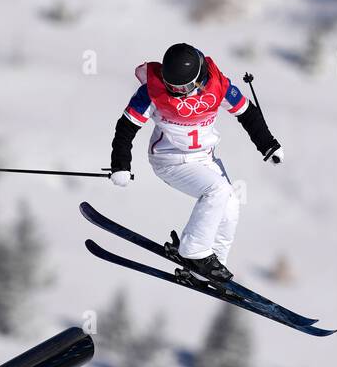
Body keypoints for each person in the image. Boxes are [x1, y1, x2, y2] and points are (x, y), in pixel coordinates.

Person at [108, 43, 282, 282]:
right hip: (170, 160)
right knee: (217, 190)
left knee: (230, 206)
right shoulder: (153, 92)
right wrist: (120, 165)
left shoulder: (218, 86)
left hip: (204, 158)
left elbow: (247, 113)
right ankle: (194, 251)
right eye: (173, 86)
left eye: (185, 86)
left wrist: (268, 145)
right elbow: (126, 127)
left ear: (200, 78)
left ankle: (209, 267)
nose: (179, 92)